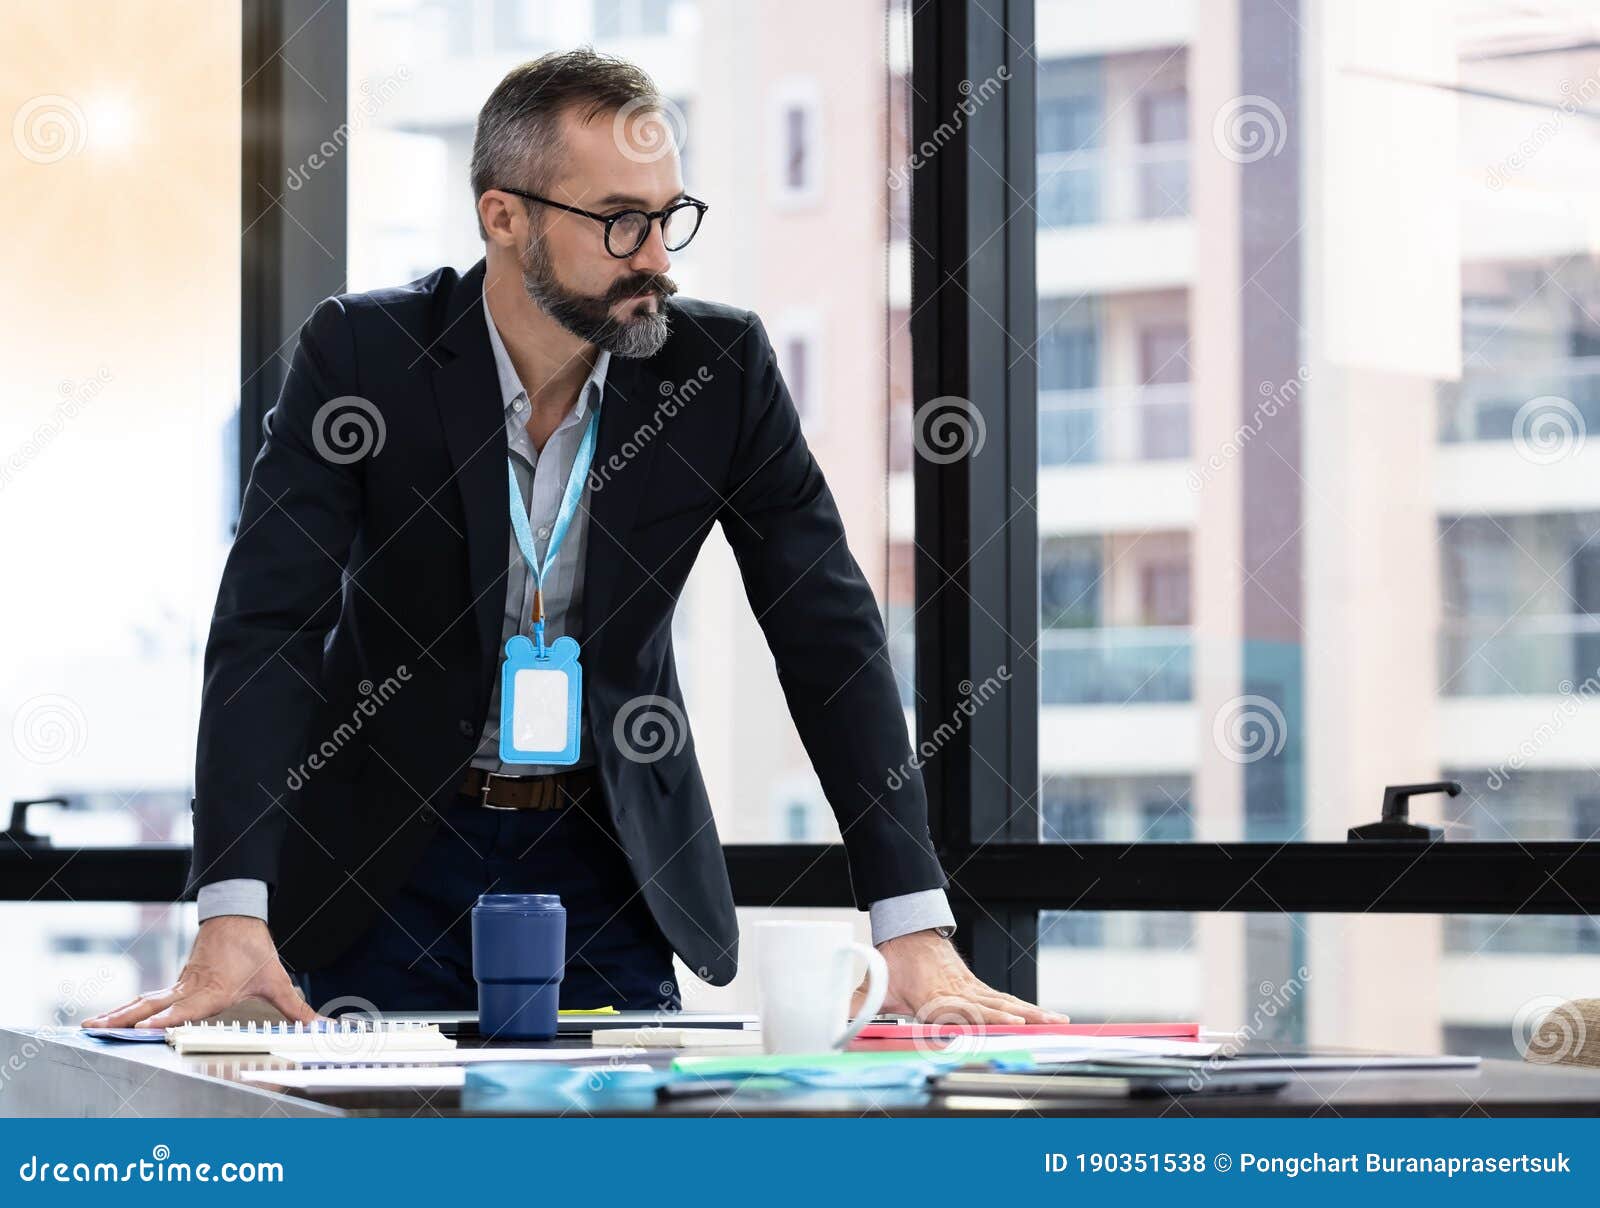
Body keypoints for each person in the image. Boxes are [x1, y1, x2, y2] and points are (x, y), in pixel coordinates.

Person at [85, 48, 1065, 1031]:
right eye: (619, 221)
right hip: (385, 859)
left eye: (669, 215)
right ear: (502, 216)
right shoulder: (368, 355)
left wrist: (910, 923)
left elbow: (828, 630)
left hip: (606, 853)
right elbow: (269, 627)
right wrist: (231, 911)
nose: (656, 258)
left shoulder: (716, 370)